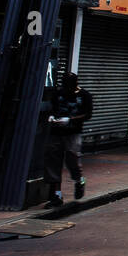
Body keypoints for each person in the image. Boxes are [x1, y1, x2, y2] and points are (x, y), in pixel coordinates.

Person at [44, 72, 93, 207]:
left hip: (73, 132)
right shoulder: (58, 94)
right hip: (56, 132)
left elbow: (88, 114)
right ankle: (56, 195)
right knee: (53, 162)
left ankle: (79, 181)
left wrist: (71, 120)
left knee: (73, 160)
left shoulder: (84, 95)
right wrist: (52, 117)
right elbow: (52, 109)